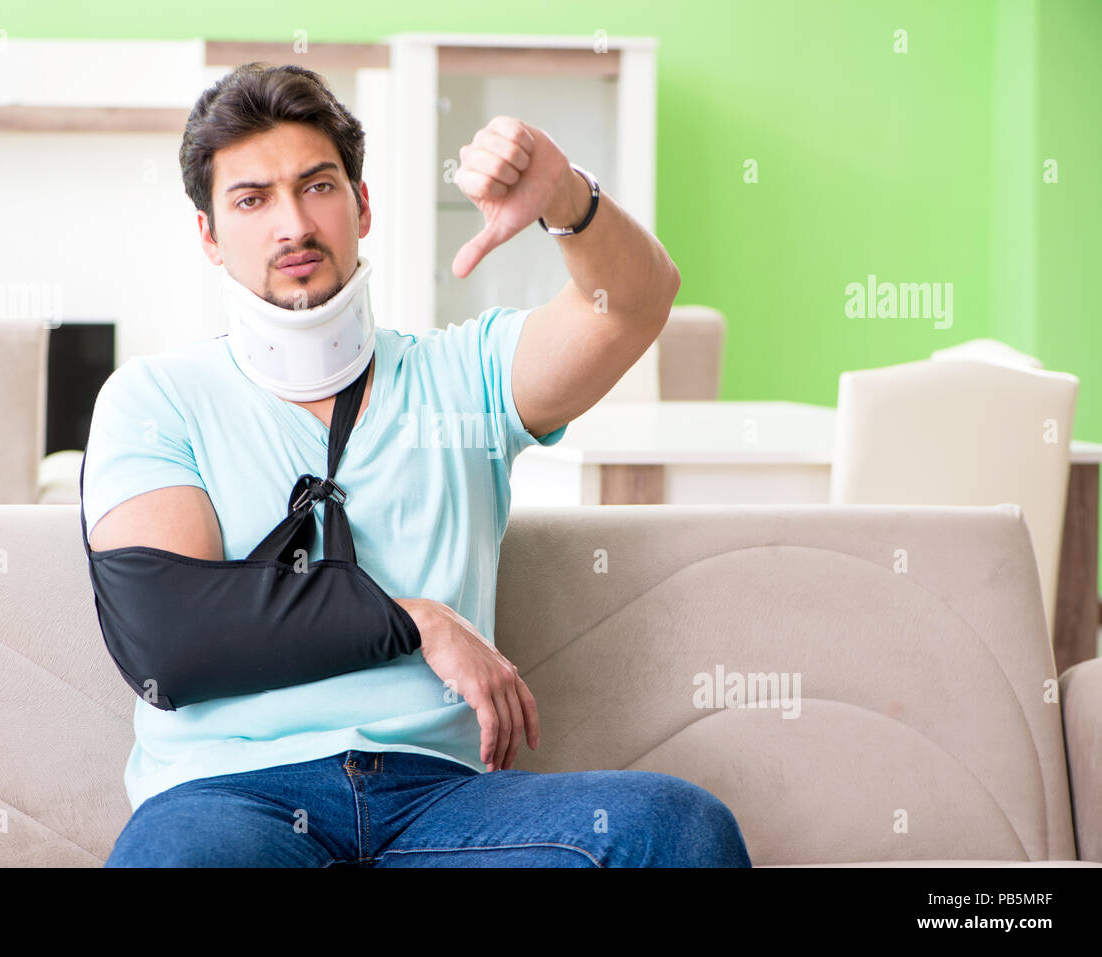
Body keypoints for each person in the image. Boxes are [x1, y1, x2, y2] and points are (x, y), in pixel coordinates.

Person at [84, 61, 751, 867]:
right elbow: (170, 637)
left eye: (318, 186)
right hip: (228, 799)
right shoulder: (156, 398)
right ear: (209, 237)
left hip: (440, 802)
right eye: (252, 200)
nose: (293, 223)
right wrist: (413, 619)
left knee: (679, 827)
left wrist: (566, 196)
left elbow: (639, 301)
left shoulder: (463, 377)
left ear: (362, 205)